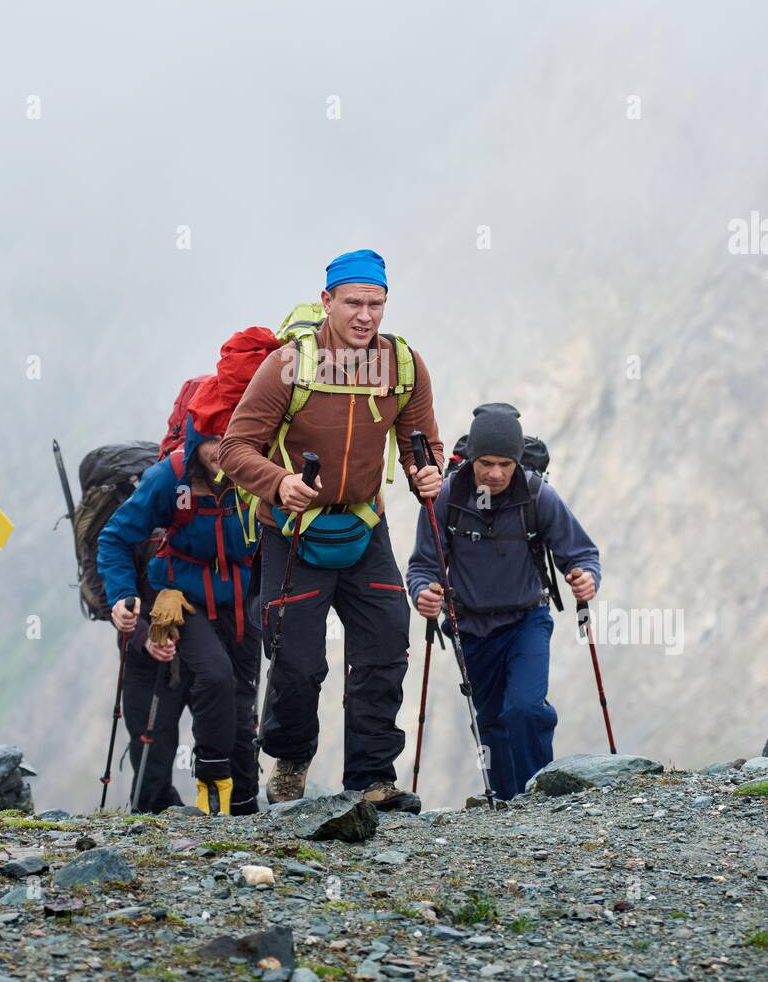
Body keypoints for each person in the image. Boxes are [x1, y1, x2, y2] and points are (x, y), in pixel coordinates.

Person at [218, 248, 443, 811]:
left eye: (376, 303)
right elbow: (233, 449)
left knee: (386, 647)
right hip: (292, 533)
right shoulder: (287, 367)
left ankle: (371, 778)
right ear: (326, 302)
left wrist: (428, 472)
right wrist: (278, 483)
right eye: (353, 303)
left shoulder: (405, 366)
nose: (365, 315)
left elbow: (422, 443)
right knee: (296, 662)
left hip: (366, 529)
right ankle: (290, 760)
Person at [97, 330, 279, 815]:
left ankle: (238, 806)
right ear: (197, 433)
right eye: (214, 438)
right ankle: (189, 800)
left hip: (239, 608)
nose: (222, 449)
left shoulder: (255, 475)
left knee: (239, 708)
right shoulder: (167, 480)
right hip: (175, 609)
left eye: (232, 437)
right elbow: (115, 538)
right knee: (206, 691)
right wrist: (124, 603)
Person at [406, 402, 602, 801]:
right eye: (486, 463)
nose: (495, 474)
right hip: (469, 628)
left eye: (505, 465)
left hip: (526, 622)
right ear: (472, 459)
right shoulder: (445, 499)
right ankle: (503, 802)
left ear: (517, 463)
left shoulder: (537, 496)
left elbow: (581, 554)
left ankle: (537, 798)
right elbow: (423, 566)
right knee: (492, 721)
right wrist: (423, 593)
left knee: (525, 709)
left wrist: (586, 578)